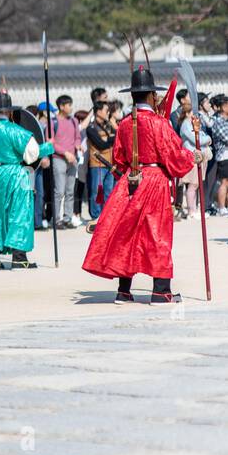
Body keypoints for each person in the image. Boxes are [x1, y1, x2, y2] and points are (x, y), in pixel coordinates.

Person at [84, 67, 197, 303]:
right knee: (158, 235)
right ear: (150, 95)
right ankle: (161, 290)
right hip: (154, 180)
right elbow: (172, 156)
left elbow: (119, 157)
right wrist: (192, 157)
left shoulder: (124, 124)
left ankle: (123, 290)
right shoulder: (159, 123)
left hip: (131, 181)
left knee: (128, 233)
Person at [0, 92, 54, 269]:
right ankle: (19, 257)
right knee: (20, 213)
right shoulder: (16, 131)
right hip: (16, 173)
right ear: (10, 112)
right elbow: (32, 154)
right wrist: (48, 147)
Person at [50, 95, 81, 229]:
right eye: (68, 105)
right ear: (61, 107)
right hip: (59, 159)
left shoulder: (74, 121)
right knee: (59, 191)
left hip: (72, 160)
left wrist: (78, 145)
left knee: (70, 191)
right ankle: (56, 219)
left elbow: (77, 137)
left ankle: (67, 218)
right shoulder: (53, 122)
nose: (71, 107)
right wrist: (65, 153)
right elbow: (50, 143)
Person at [85, 101, 117, 221]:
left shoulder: (108, 126)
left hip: (110, 164)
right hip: (97, 164)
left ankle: (106, 216)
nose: (108, 113)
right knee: (97, 192)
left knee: (108, 191)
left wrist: (112, 136)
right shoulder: (91, 128)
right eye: (106, 110)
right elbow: (101, 145)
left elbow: (117, 136)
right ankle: (96, 216)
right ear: (98, 112)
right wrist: (111, 139)